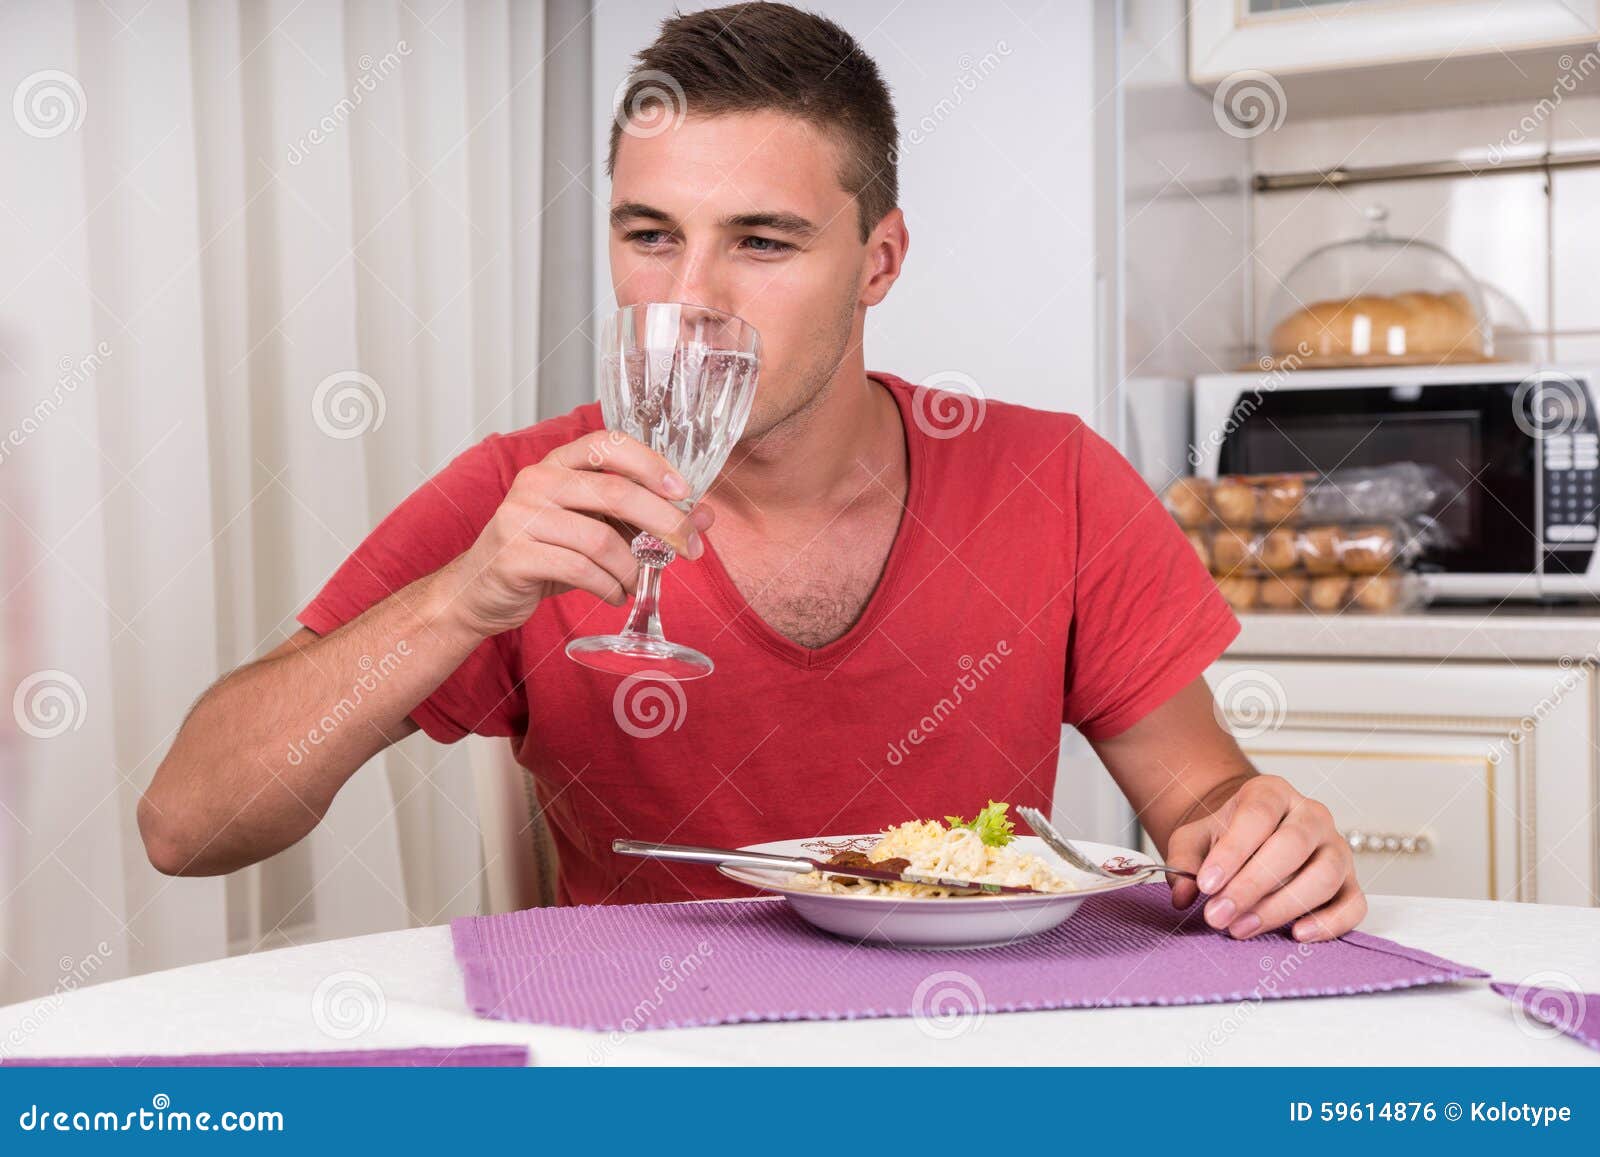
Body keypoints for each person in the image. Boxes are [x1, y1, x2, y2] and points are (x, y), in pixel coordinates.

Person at [141, 1, 1364, 944]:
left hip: (962, 1051)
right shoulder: (528, 493)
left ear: (877, 261)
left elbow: (1202, 804)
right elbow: (184, 825)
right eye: (649, 236)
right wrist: (463, 597)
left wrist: (1260, 837)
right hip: (639, 1071)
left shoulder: (1054, 477)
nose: (691, 301)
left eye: (762, 243)